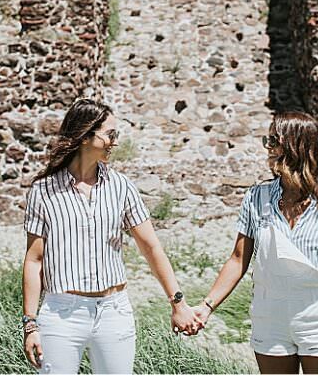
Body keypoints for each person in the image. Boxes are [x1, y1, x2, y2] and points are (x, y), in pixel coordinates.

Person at [21, 98, 202, 374]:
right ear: (85, 136)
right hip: (61, 314)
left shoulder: (121, 186)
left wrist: (178, 303)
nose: (114, 142)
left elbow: (151, 247)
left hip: (113, 312)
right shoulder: (43, 191)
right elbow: (35, 260)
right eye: (110, 135)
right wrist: (30, 324)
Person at [192, 111, 318, 374]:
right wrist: (206, 306)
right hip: (270, 318)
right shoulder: (257, 197)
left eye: (273, 140)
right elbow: (238, 260)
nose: (267, 147)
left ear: (295, 146)